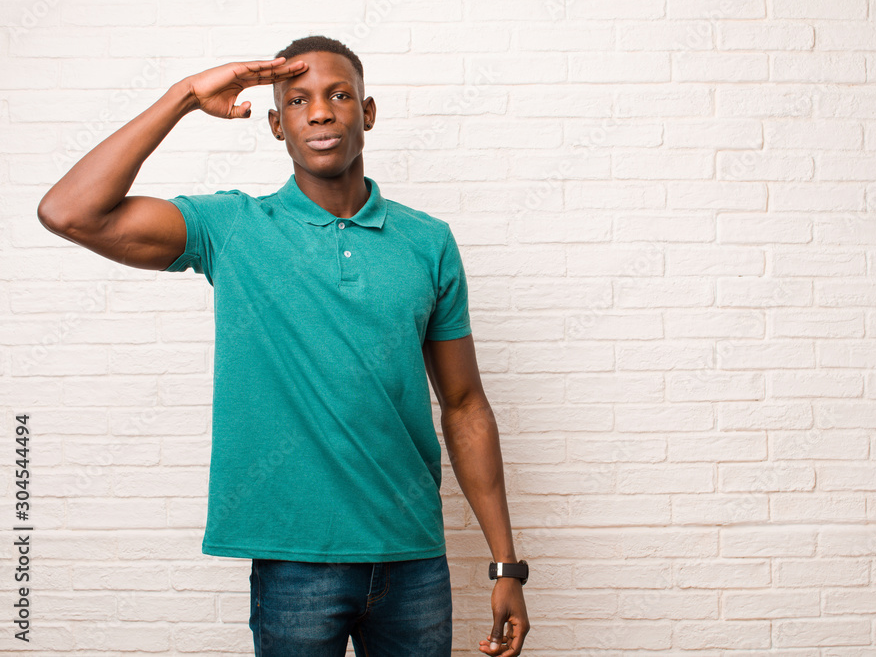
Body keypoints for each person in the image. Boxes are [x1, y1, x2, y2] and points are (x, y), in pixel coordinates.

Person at [37, 35, 529, 657]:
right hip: (295, 564)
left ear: (367, 113)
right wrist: (184, 96)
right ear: (277, 124)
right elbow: (69, 212)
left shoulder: (428, 242)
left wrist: (505, 564)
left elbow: (464, 405)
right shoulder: (234, 227)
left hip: (413, 560)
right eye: (298, 100)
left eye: (338, 95)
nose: (319, 111)